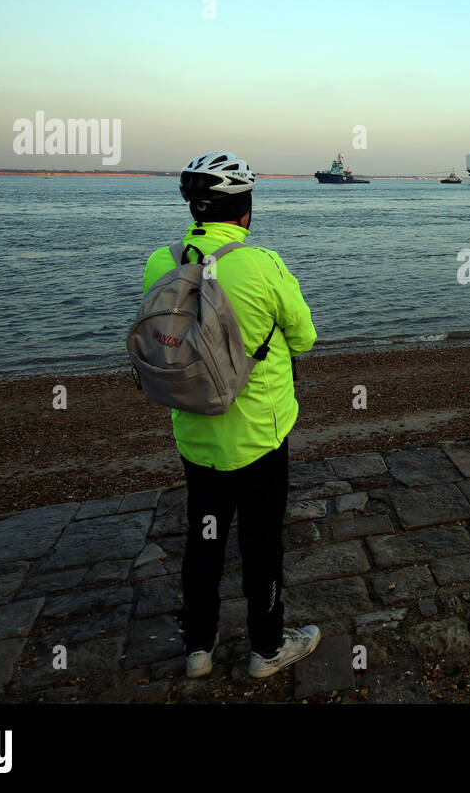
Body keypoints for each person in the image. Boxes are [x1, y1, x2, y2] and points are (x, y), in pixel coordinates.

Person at [141, 151, 320, 678]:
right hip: (259, 434)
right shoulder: (261, 264)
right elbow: (305, 339)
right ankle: (267, 649)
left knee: (204, 536)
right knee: (262, 543)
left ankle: (198, 647)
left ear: (196, 209)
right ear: (244, 211)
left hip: (194, 431)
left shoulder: (160, 261)